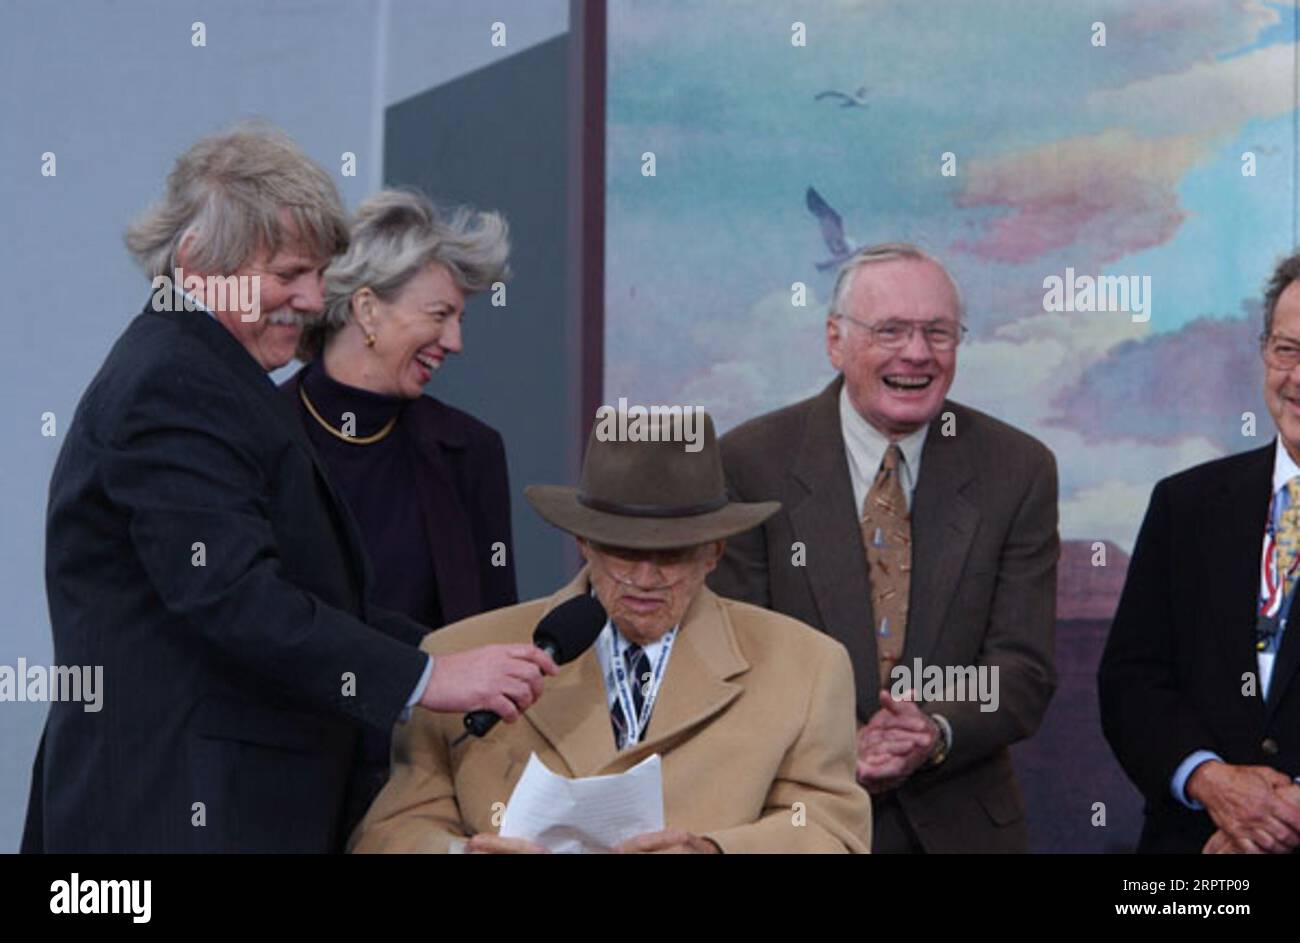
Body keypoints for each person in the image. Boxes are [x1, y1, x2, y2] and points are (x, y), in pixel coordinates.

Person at [21, 122, 555, 853]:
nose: (311, 300)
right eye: (289, 274)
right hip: (175, 813)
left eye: (318, 275)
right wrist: (428, 674)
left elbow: (313, 599)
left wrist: (465, 652)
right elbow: (235, 597)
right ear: (196, 260)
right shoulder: (173, 383)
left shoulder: (205, 376)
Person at [349, 412, 872, 853]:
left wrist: (713, 850)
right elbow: (390, 830)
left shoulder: (805, 665)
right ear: (584, 542)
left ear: (714, 552)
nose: (645, 580)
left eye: (671, 555)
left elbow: (831, 828)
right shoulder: (458, 656)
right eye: (623, 551)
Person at [709, 243, 1058, 853]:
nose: (917, 353)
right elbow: (736, 660)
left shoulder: (1018, 469)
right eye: (890, 330)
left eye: (938, 333)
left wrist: (936, 730)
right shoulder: (750, 463)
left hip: (962, 828)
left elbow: (1022, 670)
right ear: (835, 340)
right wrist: (842, 746)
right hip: (796, 822)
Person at [282, 189, 518, 827]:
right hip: (275, 787)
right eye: (440, 315)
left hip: (417, 797)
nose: (456, 341)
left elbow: (490, 642)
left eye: (461, 319)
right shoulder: (256, 435)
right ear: (367, 309)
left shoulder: (471, 452)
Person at [1099, 252, 1300, 854]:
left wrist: (1277, 816)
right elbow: (1132, 682)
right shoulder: (1185, 505)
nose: (1298, 376)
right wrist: (1211, 783)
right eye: (1287, 349)